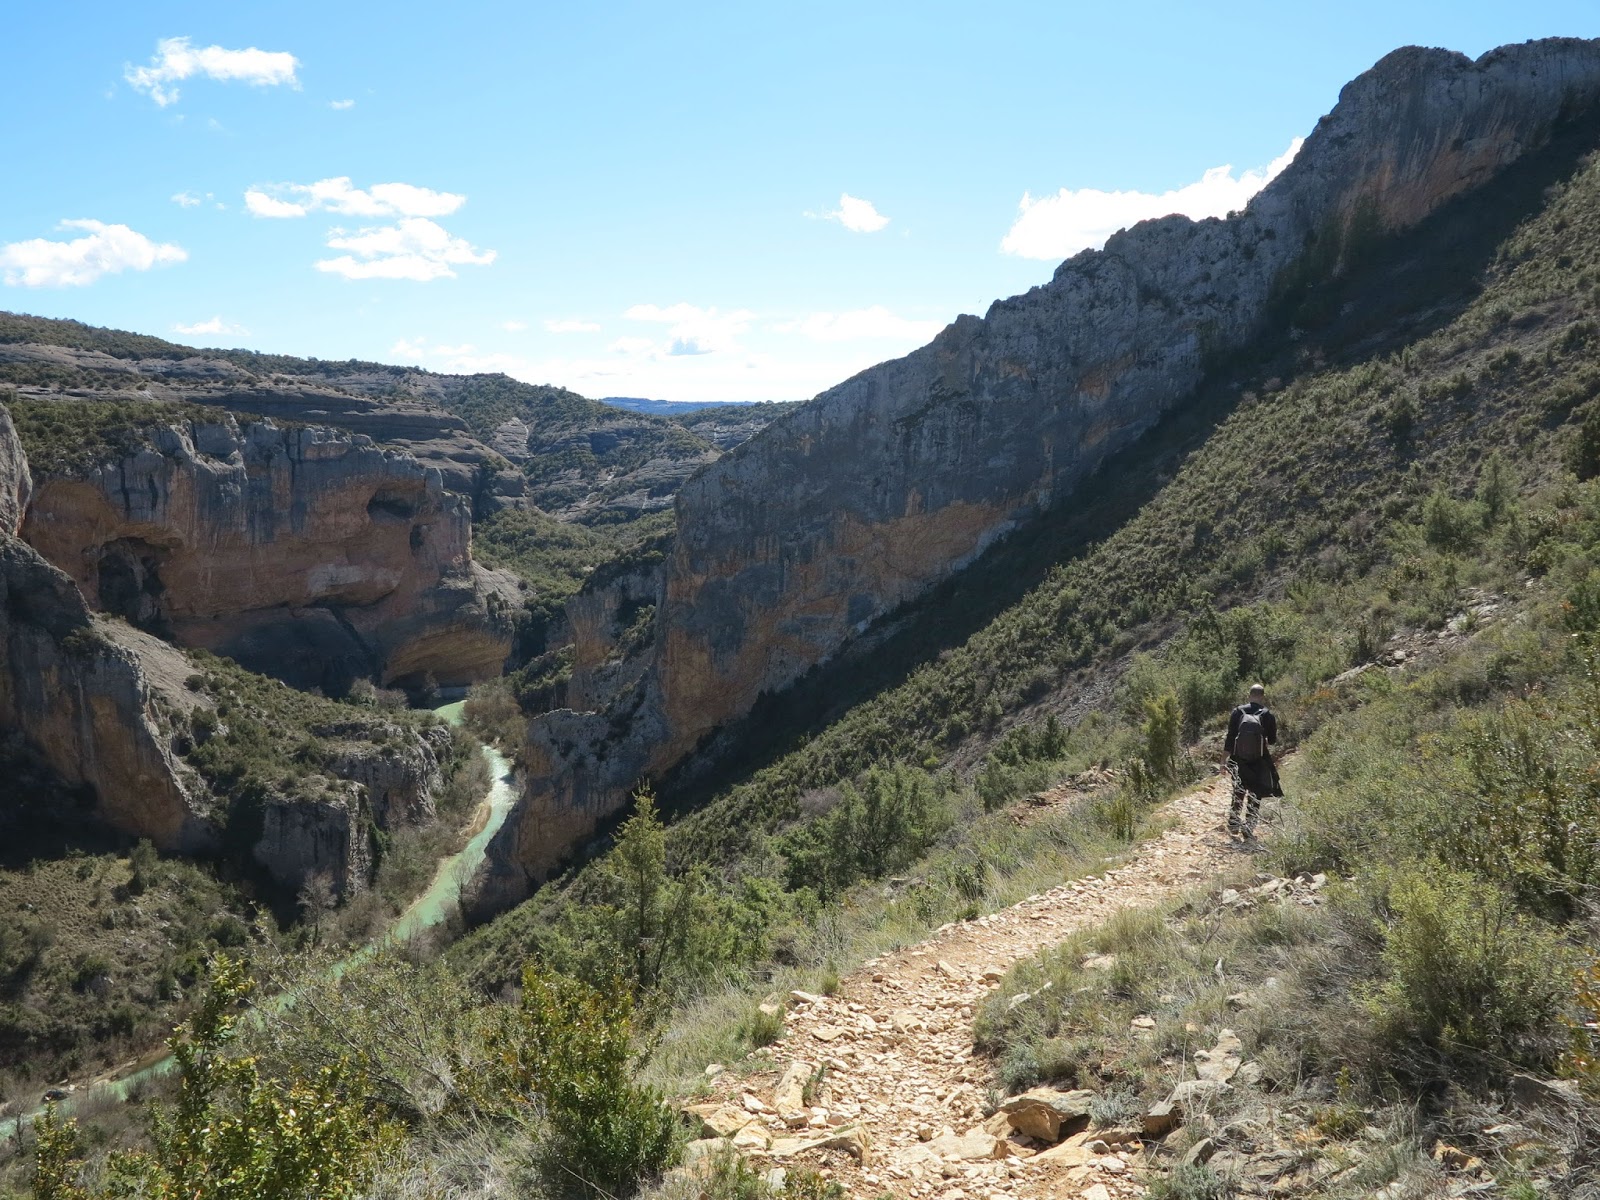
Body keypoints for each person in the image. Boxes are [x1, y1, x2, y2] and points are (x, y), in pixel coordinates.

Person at [1222, 683, 1281, 839]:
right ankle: (1248, 829)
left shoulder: (1237, 712)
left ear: (1249, 695)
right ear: (1262, 697)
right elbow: (1273, 741)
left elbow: (1229, 738)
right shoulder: (1267, 715)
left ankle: (1234, 824)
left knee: (1238, 791)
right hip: (1259, 761)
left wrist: (1223, 761)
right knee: (1255, 795)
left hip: (1238, 760)